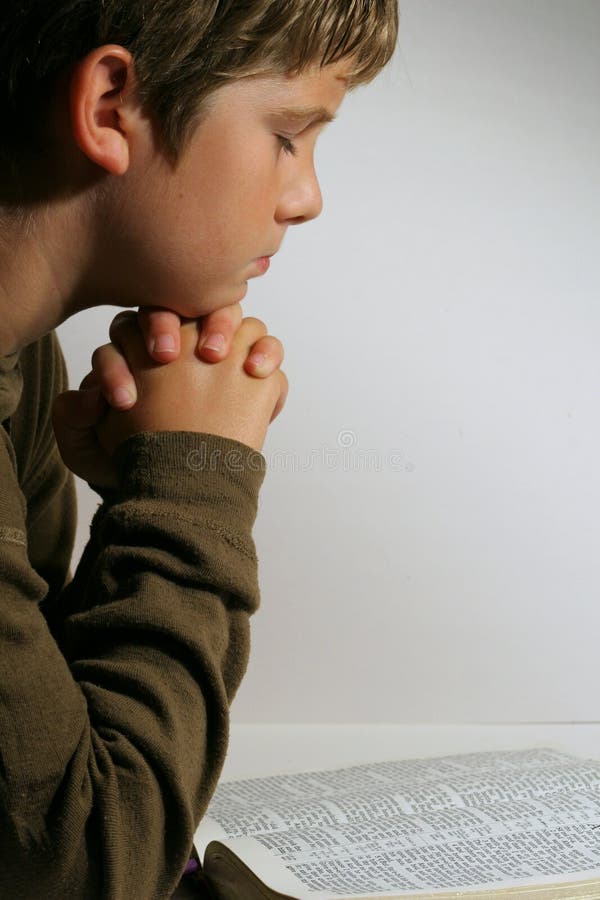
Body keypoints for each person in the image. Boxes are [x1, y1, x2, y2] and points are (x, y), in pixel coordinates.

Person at [0, 2, 399, 898]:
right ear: (109, 107)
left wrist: (138, 506)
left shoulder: (21, 360)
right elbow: (81, 870)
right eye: (290, 135)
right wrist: (190, 492)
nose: (307, 197)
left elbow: (43, 764)